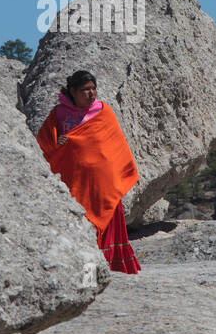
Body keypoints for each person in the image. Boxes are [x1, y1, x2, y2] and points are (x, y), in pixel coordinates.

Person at [36, 70, 141, 274]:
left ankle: (107, 270)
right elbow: (43, 143)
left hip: (103, 184)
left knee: (104, 225)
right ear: (73, 91)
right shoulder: (59, 114)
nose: (91, 94)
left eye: (93, 89)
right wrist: (57, 142)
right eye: (85, 90)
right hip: (74, 183)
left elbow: (115, 145)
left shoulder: (103, 111)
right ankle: (85, 273)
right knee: (83, 225)